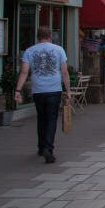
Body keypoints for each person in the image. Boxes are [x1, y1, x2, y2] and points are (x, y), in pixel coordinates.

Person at [15, 26, 70, 164]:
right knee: (51, 119)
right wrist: (68, 90)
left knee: (41, 118)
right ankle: (48, 148)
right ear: (50, 36)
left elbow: (24, 72)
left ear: (37, 37)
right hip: (54, 89)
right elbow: (64, 72)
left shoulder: (29, 51)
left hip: (38, 90)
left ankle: (41, 147)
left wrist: (17, 90)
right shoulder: (59, 50)